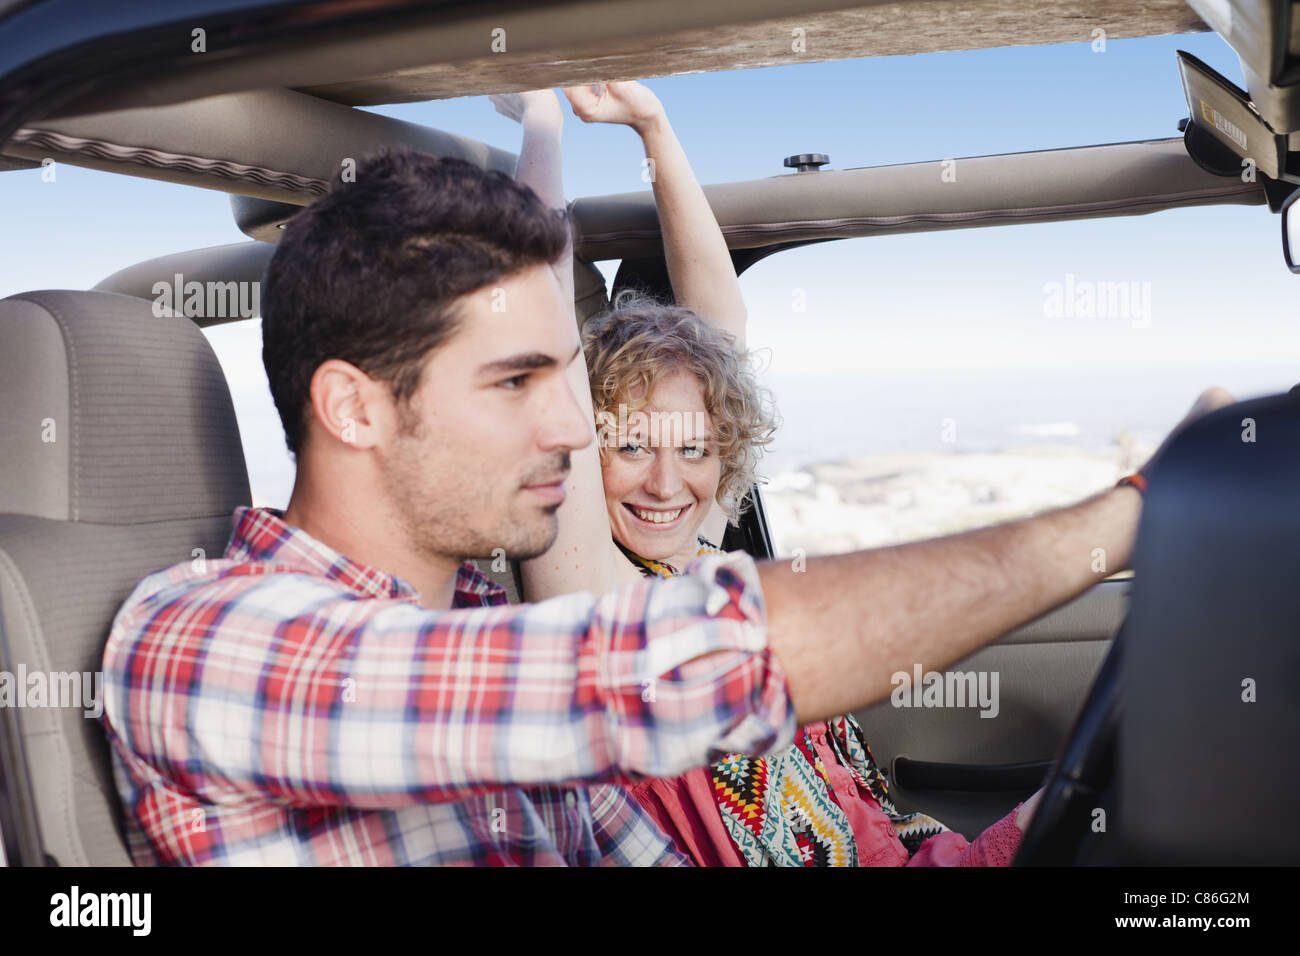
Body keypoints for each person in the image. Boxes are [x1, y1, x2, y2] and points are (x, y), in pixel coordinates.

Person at [98, 80, 1232, 866]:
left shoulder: (484, 623)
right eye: (517, 381)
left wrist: (568, 114)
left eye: (566, 378)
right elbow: (676, 668)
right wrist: (1130, 512)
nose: (573, 432)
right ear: (355, 407)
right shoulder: (207, 641)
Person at [514, 83, 1031, 866]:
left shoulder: (702, 551)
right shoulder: (596, 596)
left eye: (694, 450)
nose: (665, 485)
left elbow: (722, 318)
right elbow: (541, 313)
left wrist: (653, 125)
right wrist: (541, 117)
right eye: (631, 447)